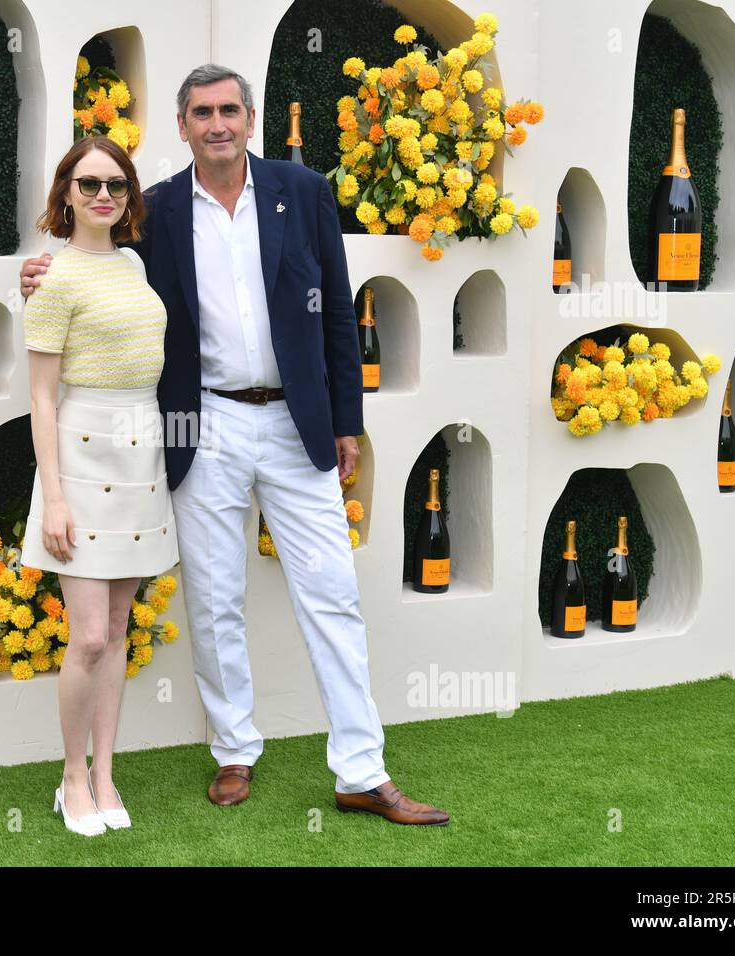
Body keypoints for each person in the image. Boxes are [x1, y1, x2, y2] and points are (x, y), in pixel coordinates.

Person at [23, 65, 448, 826]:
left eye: (229, 110)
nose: (216, 123)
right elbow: (103, 273)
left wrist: (345, 420)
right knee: (214, 598)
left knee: (333, 595)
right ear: (182, 126)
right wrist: (41, 274)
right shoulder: (151, 211)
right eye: (201, 113)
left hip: (297, 423)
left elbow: (337, 319)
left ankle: (361, 769)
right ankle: (233, 751)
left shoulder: (305, 190)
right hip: (200, 423)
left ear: (250, 120)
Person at [19, 136, 178, 836]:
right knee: (85, 636)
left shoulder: (136, 263)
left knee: (117, 629)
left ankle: (108, 773)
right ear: (65, 195)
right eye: (87, 185)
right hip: (80, 459)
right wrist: (54, 498)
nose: (102, 195)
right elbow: (41, 398)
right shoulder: (52, 277)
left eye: (115, 183)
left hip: (141, 454)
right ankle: (71, 778)